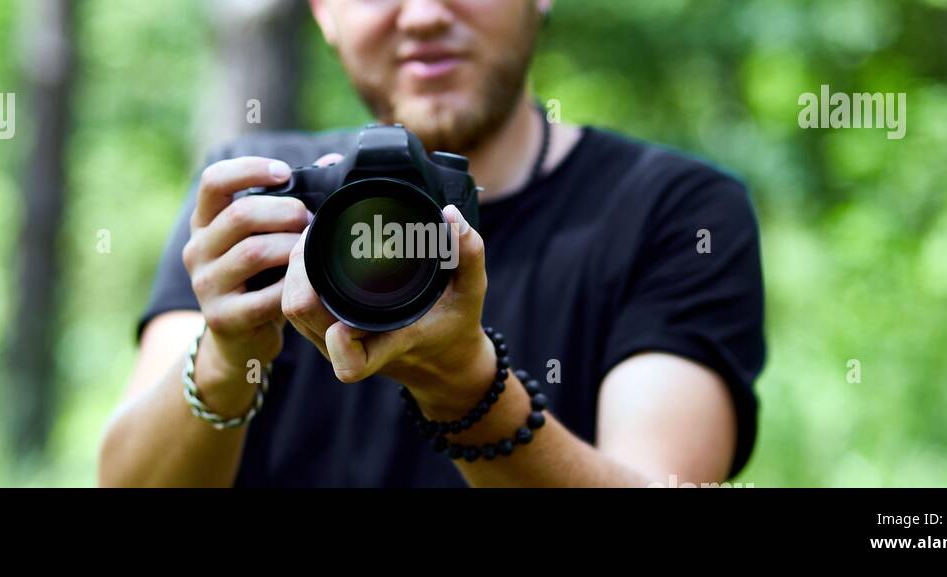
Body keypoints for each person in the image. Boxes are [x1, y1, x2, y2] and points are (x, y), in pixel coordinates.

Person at [99, 0, 765, 487]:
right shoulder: (256, 198)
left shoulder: (670, 210)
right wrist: (227, 356)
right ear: (324, 14)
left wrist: (466, 387)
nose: (420, 14)